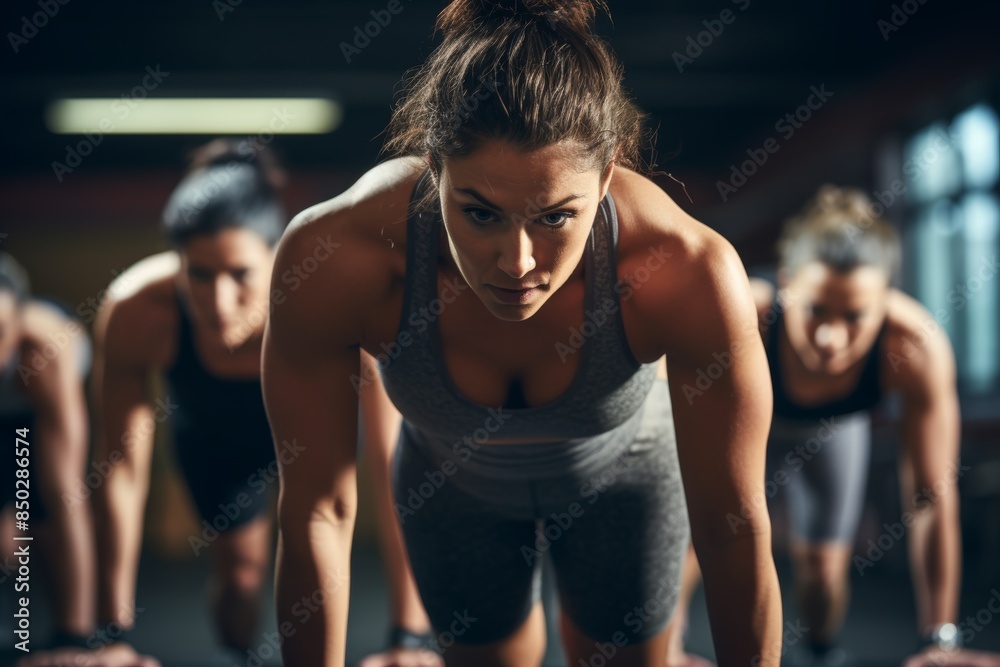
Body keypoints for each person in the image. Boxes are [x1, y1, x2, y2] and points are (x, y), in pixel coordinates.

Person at [263, 1, 783, 665]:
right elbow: (317, 511)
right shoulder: (337, 255)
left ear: (607, 175)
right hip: (450, 488)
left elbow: (732, 528)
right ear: (433, 166)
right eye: (480, 212)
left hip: (624, 478)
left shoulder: (685, 269)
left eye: (555, 218)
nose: (517, 262)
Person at [16, 140, 438, 667]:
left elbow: (391, 466)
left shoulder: (331, 306)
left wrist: (410, 639)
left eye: (239, 275)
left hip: (310, 434)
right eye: (199, 275)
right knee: (239, 577)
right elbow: (120, 471)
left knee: (315, 529)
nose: (218, 302)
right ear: (177, 265)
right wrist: (109, 635)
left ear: (278, 257)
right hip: (214, 440)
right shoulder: (137, 310)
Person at [669, 185, 1000, 667]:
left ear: (884, 300)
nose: (830, 338)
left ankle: (822, 653)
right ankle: (668, 642)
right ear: (786, 284)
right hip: (745, 426)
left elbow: (930, 496)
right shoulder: (746, 321)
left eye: (854, 317)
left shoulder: (914, 348)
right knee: (706, 533)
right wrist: (664, 649)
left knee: (823, 572)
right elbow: (684, 494)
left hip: (832, 433)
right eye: (816, 310)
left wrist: (940, 642)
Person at [0, 253, 94, 651]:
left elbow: (65, 499)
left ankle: (67, 630)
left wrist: (75, 639)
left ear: (19, 321)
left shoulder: (45, 353)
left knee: (42, 514)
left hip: (37, 409)